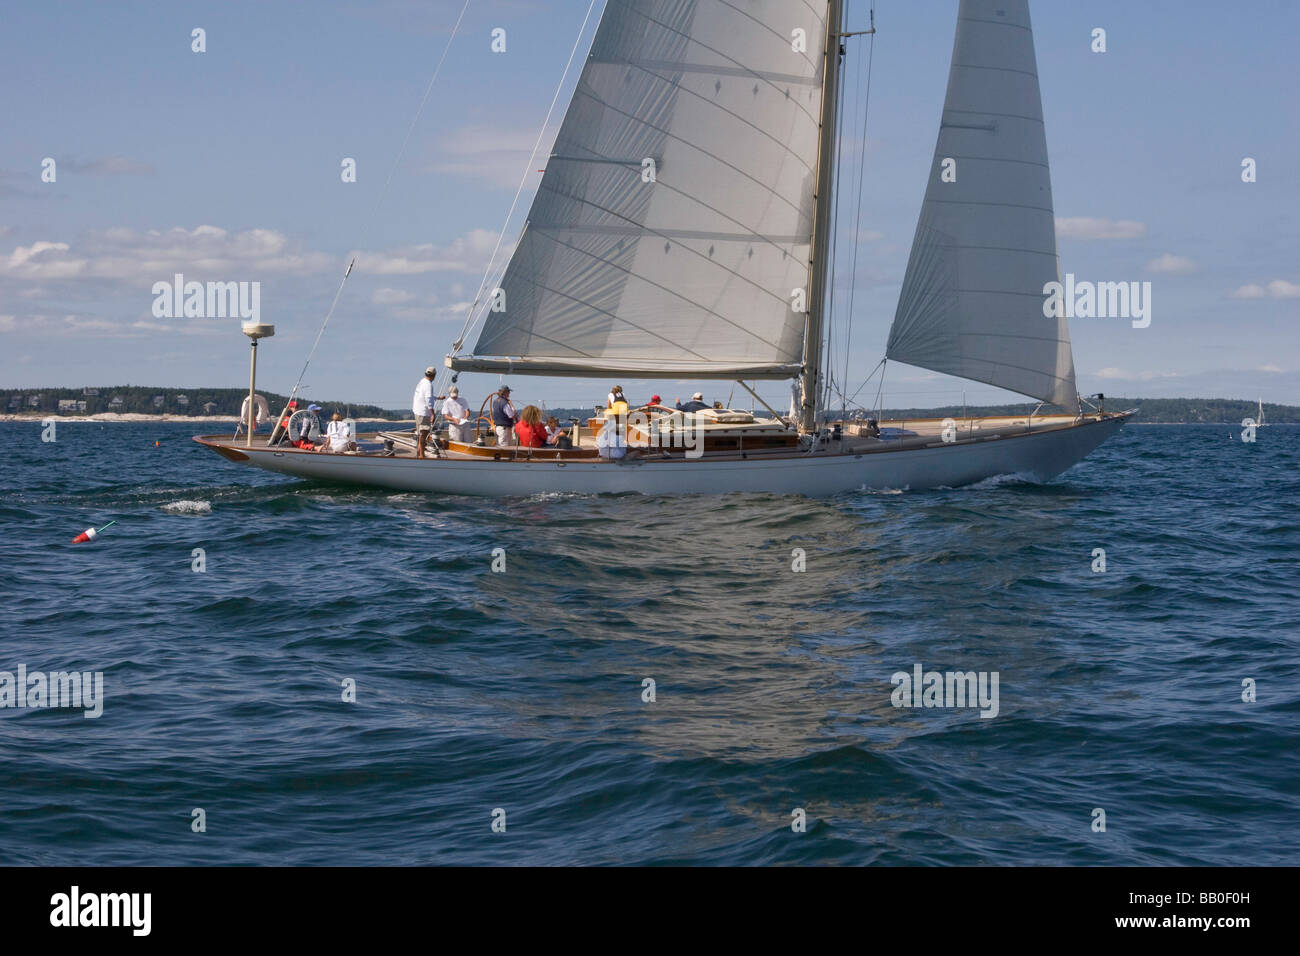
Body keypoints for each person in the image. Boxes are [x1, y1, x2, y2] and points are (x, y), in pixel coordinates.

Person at [412, 366, 436, 459]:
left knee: (421, 433)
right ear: (434, 375)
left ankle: (419, 452)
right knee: (424, 433)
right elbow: (428, 400)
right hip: (423, 413)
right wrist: (432, 414)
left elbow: (425, 396)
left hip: (417, 411)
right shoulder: (428, 385)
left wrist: (437, 397)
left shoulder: (422, 381)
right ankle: (422, 455)